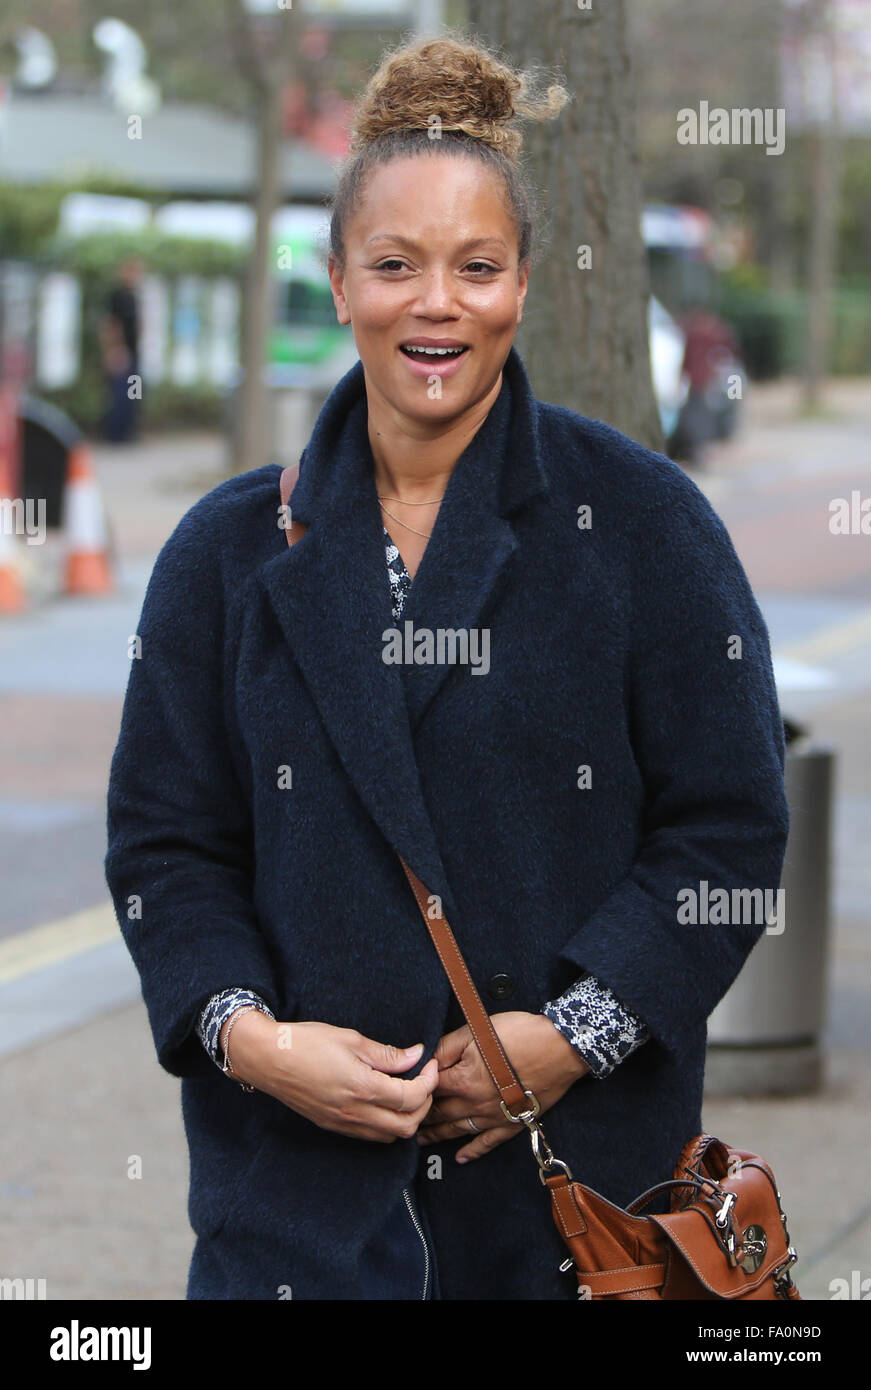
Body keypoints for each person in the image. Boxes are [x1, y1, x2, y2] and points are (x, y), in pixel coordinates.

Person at [104, 33, 789, 1301]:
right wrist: (251, 1043)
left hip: (575, 1215)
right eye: (396, 265)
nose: (438, 304)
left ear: (525, 282)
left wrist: (574, 1034)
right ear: (339, 278)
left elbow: (729, 836)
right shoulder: (223, 553)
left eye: (477, 268)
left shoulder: (641, 526)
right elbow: (165, 849)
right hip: (293, 1224)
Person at [99, 256, 143, 442]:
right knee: (119, 395)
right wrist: (114, 350)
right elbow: (110, 325)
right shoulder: (117, 296)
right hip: (122, 353)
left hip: (134, 353)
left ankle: (129, 432)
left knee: (134, 392)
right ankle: (116, 435)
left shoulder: (134, 296)